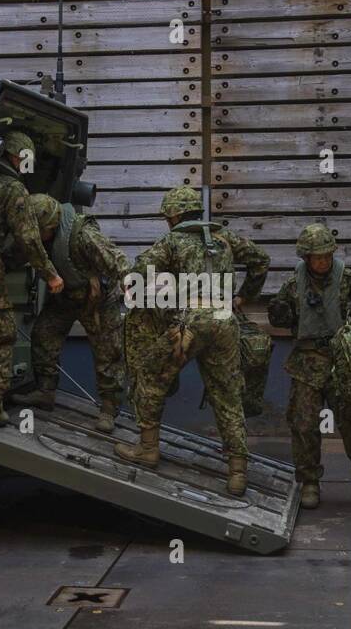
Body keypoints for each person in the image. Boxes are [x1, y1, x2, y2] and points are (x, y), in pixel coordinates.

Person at [114, 185, 269, 495]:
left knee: (149, 377)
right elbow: (261, 260)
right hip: (225, 321)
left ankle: (148, 448)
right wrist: (243, 297)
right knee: (227, 395)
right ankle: (237, 471)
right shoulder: (226, 238)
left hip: (190, 322)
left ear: (173, 216)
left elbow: (137, 274)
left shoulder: (172, 242)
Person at [266, 224, 351, 511]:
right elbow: (279, 316)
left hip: (341, 360)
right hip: (307, 362)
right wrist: (280, 311)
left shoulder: (346, 277)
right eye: (316, 257)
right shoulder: (294, 283)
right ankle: (309, 482)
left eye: (326, 256)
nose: (322, 261)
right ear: (306, 258)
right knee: (304, 424)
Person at [9, 194, 130, 433]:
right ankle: (45, 392)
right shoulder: (41, 237)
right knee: (44, 335)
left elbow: (118, 262)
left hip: (99, 301)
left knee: (108, 354)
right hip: (66, 298)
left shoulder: (83, 235)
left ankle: (108, 409)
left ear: (51, 226)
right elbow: (16, 255)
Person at [0, 130, 63, 424]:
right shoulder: (13, 189)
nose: (28, 164)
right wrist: (49, 274)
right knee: (0, 332)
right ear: (15, 155)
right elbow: (29, 237)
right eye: (26, 158)